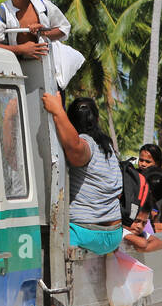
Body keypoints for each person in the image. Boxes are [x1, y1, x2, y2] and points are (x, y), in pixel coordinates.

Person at [42, 93, 123, 254]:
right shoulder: (107, 148)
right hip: (114, 234)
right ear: (98, 120)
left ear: (70, 122)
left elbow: (75, 147)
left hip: (85, 234)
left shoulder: (88, 144)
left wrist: (58, 112)